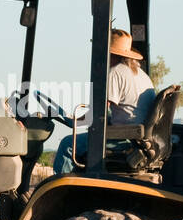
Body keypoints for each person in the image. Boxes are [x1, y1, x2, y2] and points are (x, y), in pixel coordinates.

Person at [54, 29, 156, 174]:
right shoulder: (141, 75)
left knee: (68, 144)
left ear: (110, 53)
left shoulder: (115, 72)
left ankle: (62, 192)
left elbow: (99, 111)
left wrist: (74, 120)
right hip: (137, 136)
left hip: (125, 138)